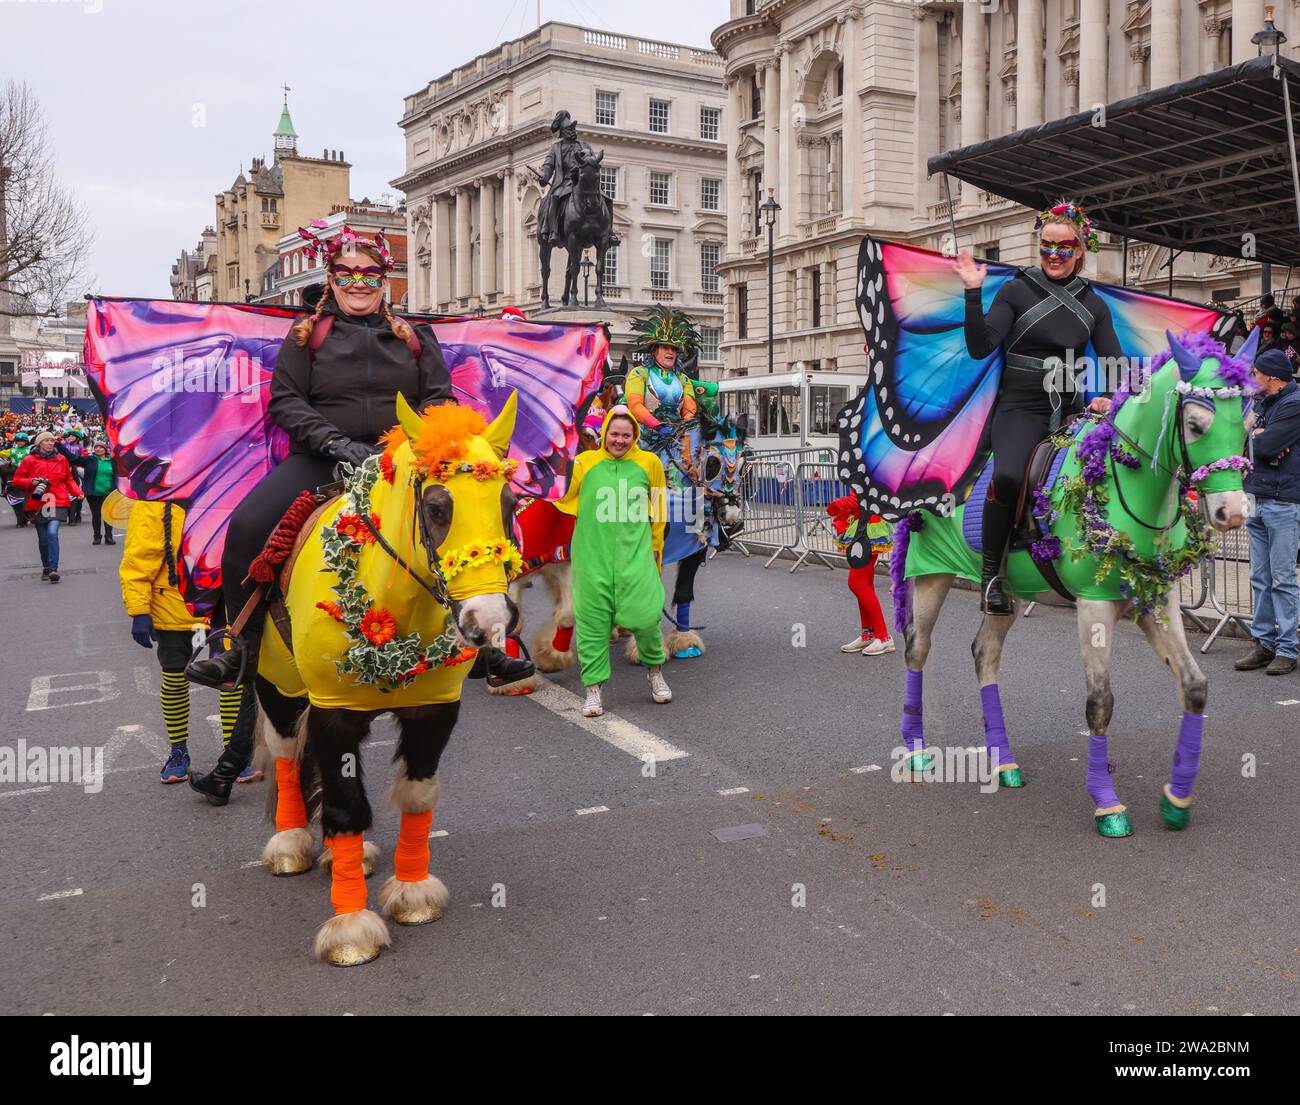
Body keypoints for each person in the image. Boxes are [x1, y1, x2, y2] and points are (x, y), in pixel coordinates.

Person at [186, 225, 466, 687]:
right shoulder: (306, 335)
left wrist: (400, 444)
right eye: (347, 274)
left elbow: (438, 398)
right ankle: (238, 647)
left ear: (385, 280)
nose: (359, 283)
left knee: (472, 522)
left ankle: (485, 639)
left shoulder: (417, 337)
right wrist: (337, 443)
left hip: (399, 462)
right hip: (321, 459)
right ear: (331, 280)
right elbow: (286, 400)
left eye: (369, 275)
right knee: (246, 527)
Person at [957, 199, 1121, 614]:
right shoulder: (1016, 290)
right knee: (1009, 476)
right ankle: (991, 577)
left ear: (1080, 251)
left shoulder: (1095, 304)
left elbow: (1114, 363)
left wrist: (1108, 394)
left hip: (1071, 413)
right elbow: (980, 347)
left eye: (1064, 247)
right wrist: (973, 294)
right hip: (1020, 409)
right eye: (1046, 245)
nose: (1054, 254)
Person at [120, 499, 259, 783]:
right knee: (174, 679)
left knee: (232, 679)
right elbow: (138, 560)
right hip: (173, 607)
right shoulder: (155, 502)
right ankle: (178, 752)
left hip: (224, 605)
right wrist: (139, 611)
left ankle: (234, 753)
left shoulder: (226, 491)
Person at [556, 406, 672, 717]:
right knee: (592, 624)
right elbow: (560, 491)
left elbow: (659, 509)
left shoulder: (650, 463)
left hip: (637, 556)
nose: (619, 440)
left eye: (626, 435)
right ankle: (593, 691)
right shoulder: (585, 462)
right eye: (614, 434)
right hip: (592, 558)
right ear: (604, 433)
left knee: (646, 617)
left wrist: (656, 549)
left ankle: (655, 672)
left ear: (635, 436)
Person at [1235, 348, 1300, 675]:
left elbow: (1265, 446)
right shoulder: (1260, 402)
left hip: (1283, 501)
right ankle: (1264, 643)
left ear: (1272, 377)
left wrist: (1257, 439)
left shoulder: (1294, 402)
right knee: (1260, 577)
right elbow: (1239, 440)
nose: (1252, 378)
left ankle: (1287, 649)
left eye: (1257, 373)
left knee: (1283, 578)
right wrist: (1254, 437)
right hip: (1257, 496)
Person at [827, 493, 894, 655]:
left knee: (857, 583)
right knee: (864, 582)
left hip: (867, 526)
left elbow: (858, 498)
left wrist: (835, 506)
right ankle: (869, 633)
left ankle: (883, 637)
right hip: (866, 523)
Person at [11, 430, 82, 583]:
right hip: (38, 501)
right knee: (43, 540)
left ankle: (54, 569)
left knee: (52, 533)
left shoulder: (61, 459)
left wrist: (77, 492)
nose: (50, 443)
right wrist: (31, 481)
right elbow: (17, 479)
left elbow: (68, 479)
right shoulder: (29, 460)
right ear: (39, 443)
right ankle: (46, 567)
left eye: (51, 441)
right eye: (46, 441)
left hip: (57, 499)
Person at [625, 306, 700, 433]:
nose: (670, 352)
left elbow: (689, 411)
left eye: (674, 349)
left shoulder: (683, 379)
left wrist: (684, 426)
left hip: (676, 434)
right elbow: (635, 405)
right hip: (645, 434)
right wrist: (656, 425)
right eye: (665, 348)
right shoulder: (639, 374)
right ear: (654, 351)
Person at [84, 437, 117, 545]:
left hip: (108, 492)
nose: (98, 449)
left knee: (108, 515)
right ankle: (97, 536)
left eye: (101, 447)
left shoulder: (112, 461)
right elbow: (74, 458)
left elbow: (118, 475)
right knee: (96, 515)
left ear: (105, 449)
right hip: (93, 493)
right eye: (96, 447)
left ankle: (109, 537)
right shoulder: (90, 460)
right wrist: (60, 446)